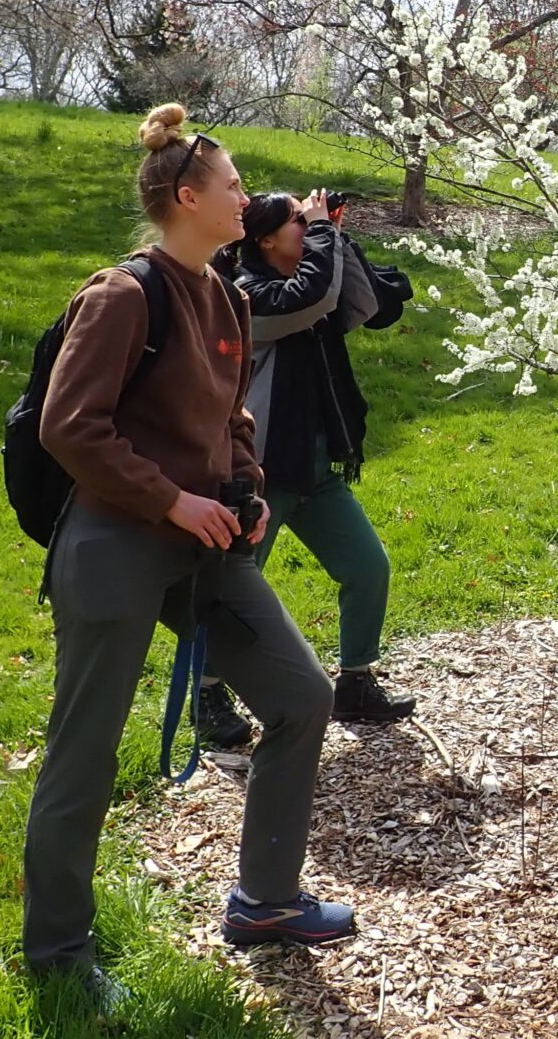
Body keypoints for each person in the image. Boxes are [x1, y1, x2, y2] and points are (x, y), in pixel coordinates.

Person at [23, 105, 355, 1003]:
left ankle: (266, 902)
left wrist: (243, 491)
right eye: (236, 183)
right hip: (115, 544)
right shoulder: (123, 295)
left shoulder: (228, 296)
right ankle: (57, 954)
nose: (248, 194)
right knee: (84, 753)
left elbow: (232, 420)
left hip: (207, 547)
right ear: (186, 196)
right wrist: (172, 497)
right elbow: (69, 426)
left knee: (299, 697)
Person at [197, 186, 415, 745]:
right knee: (235, 589)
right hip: (263, 470)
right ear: (266, 239)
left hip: (316, 469)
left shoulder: (311, 279)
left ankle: (356, 682)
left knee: (368, 567)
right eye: (298, 220)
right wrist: (321, 239)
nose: (308, 224)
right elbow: (307, 299)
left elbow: (376, 306)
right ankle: (205, 693)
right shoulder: (247, 294)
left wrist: (332, 234)